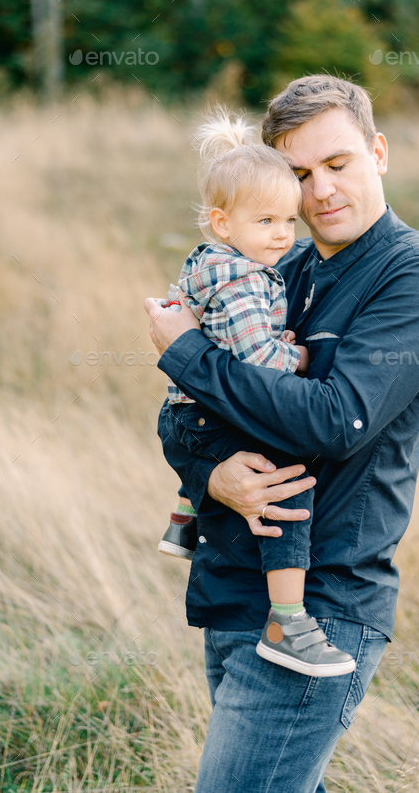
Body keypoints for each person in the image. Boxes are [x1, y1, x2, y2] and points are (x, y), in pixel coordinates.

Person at [145, 75, 419, 793]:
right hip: (234, 588)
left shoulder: (415, 278)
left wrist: (185, 350)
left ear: (377, 152)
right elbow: (183, 412)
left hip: (320, 604)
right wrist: (210, 478)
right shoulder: (272, 267)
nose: (319, 190)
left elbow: (335, 420)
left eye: (337, 163)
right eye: (298, 174)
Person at [157, 105, 356, 677]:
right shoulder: (245, 276)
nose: (284, 237)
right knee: (286, 484)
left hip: (187, 412)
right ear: (223, 224)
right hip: (207, 417)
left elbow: (210, 339)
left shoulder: (212, 264)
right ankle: (288, 619)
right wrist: (295, 354)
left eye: (289, 223)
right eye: (267, 222)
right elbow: (260, 364)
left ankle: (184, 518)